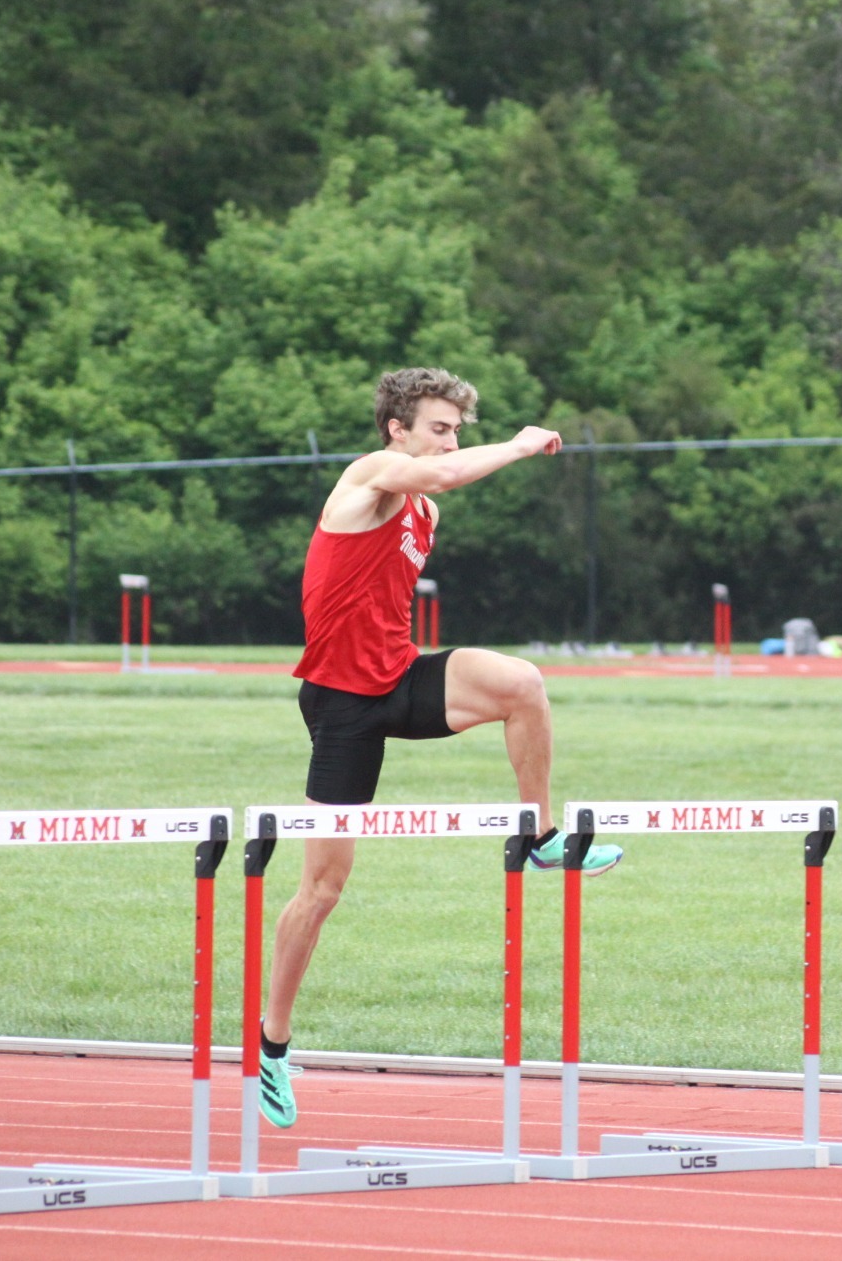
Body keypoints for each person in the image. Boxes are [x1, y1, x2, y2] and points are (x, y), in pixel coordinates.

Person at [260, 366, 622, 1129]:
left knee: (521, 684)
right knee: (321, 890)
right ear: (398, 429)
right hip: (342, 705)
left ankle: (543, 835)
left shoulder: (422, 511)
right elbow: (447, 474)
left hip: (399, 677)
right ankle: (273, 1042)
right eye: (437, 427)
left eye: (456, 428)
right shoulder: (373, 475)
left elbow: (431, 503)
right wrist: (520, 446)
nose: (449, 440)